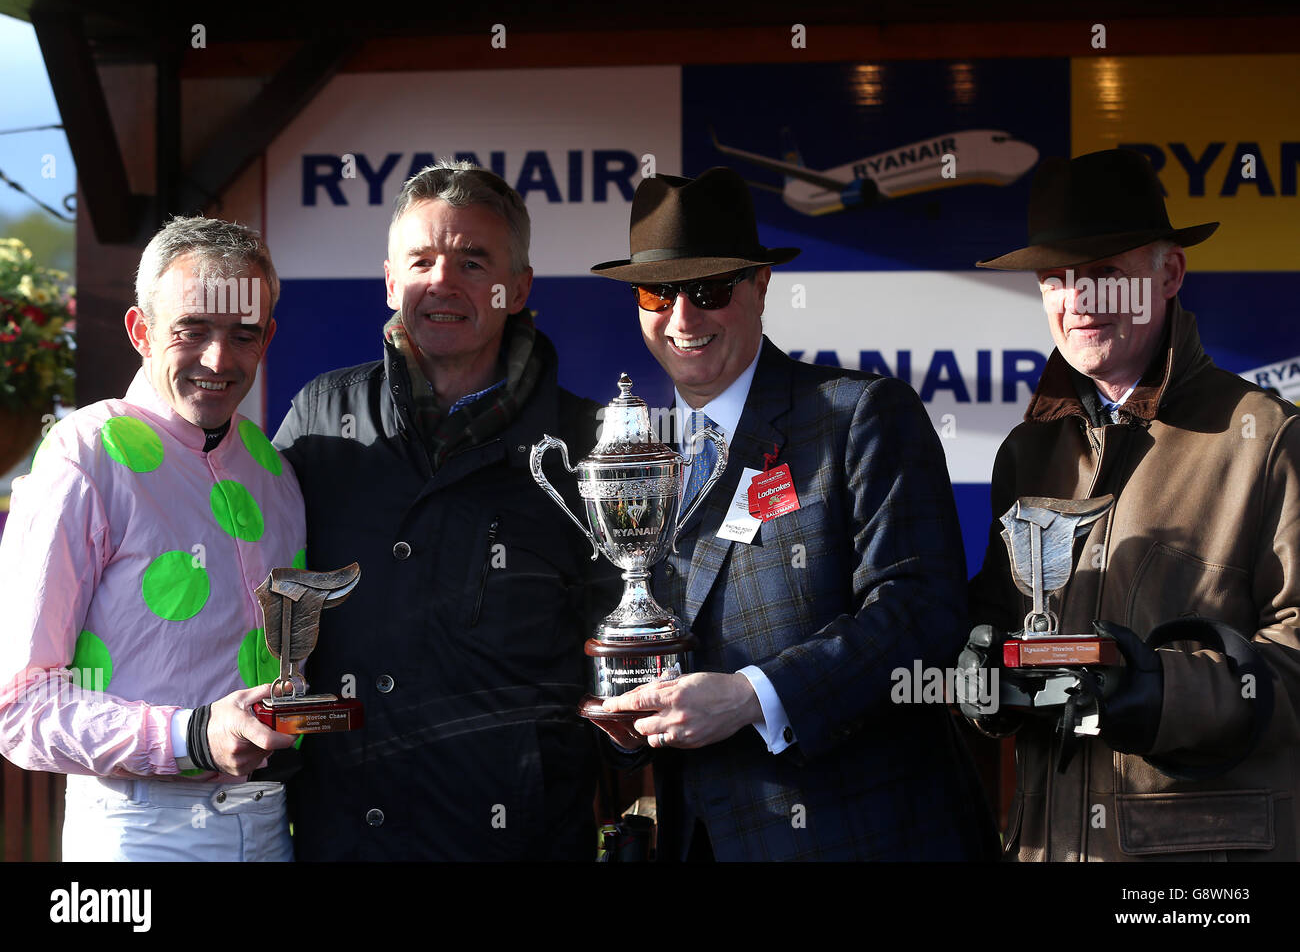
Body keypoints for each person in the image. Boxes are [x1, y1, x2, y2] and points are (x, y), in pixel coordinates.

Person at [591, 167, 997, 861]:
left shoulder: (857, 415)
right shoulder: (643, 461)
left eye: (709, 289)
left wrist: (754, 696)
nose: (682, 318)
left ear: (760, 286)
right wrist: (629, 722)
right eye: (658, 291)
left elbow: (921, 612)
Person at [964, 147, 1300, 861]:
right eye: (1054, 278)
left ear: (1169, 273)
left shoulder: (1269, 439)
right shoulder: (1026, 454)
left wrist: (1162, 692)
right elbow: (997, 624)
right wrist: (979, 673)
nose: (1075, 301)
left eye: (1103, 276)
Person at [274, 161, 615, 860]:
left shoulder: (588, 445)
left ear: (517, 288)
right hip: (344, 837)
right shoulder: (320, 414)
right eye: (422, 260)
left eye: (472, 261)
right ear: (392, 281)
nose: (443, 282)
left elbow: (622, 647)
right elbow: (247, 576)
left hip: (521, 842)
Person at [0, 216, 303, 861]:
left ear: (268, 338)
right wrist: (190, 736)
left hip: (272, 823)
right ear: (141, 331)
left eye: (242, 334)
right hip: (139, 834)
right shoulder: (84, 454)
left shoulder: (276, 471)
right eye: (191, 330)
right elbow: (19, 707)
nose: (218, 360)